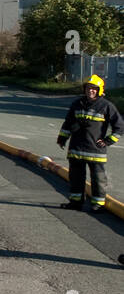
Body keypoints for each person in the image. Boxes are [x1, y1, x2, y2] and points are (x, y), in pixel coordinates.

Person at [57, 74, 122, 212]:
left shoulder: (106, 106)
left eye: (94, 88)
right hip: (76, 150)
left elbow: (120, 127)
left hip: (96, 152)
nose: (90, 90)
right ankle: (75, 202)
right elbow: (68, 123)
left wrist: (107, 141)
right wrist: (62, 138)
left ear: (99, 90)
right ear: (84, 89)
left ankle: (97, 205)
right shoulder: (77, 104)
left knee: (98, 180)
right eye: (88, 88)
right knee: (75, 179)